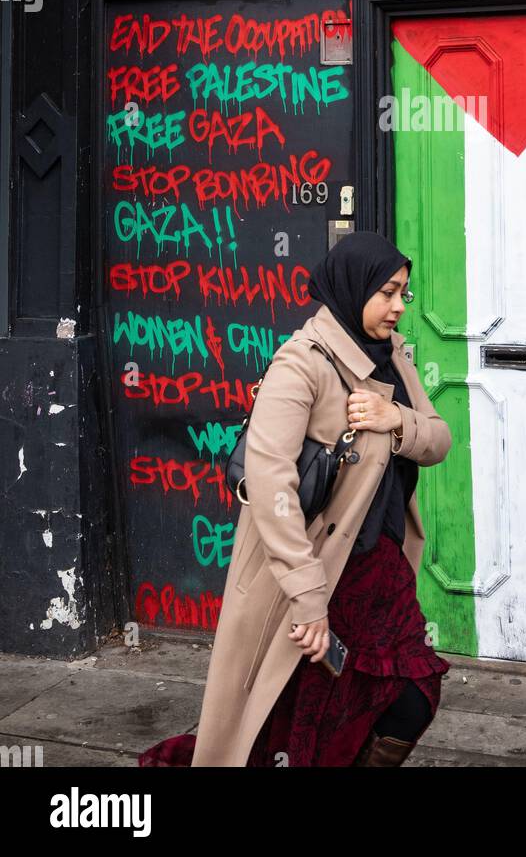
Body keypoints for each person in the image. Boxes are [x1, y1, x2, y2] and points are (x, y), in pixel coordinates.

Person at [138, 230, 452, 767]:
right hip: (314, 566)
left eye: (405, 293)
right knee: (302, 707)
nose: (400, 306)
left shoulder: (392, 355)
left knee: (411, 690)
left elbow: (439, 440)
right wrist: (308, 596)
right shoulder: (302, 362)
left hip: (378, 565)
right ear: (354, 291)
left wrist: (396, 419)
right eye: (388, 293)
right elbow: (269, 481)